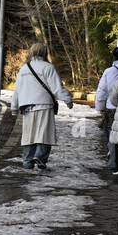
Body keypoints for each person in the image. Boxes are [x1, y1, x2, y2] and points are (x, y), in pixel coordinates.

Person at [10, 42, 74, 170]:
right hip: (44, 105)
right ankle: (40, 157)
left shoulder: (24, 69)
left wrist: (14, 107)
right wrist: (68, 101)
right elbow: (57, 88)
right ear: (45, 53)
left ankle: (27, 162)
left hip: (27, 107)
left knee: (29, 135)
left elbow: (18, 90)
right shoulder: (48, 67)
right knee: (44, 134)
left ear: (31, 53)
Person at [94, 45, 118, 167]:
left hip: (112, 108)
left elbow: (102, 91)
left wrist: (99, 107)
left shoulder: (108, 72)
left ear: (114, 57)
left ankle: (115, 159)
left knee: (112, 133)